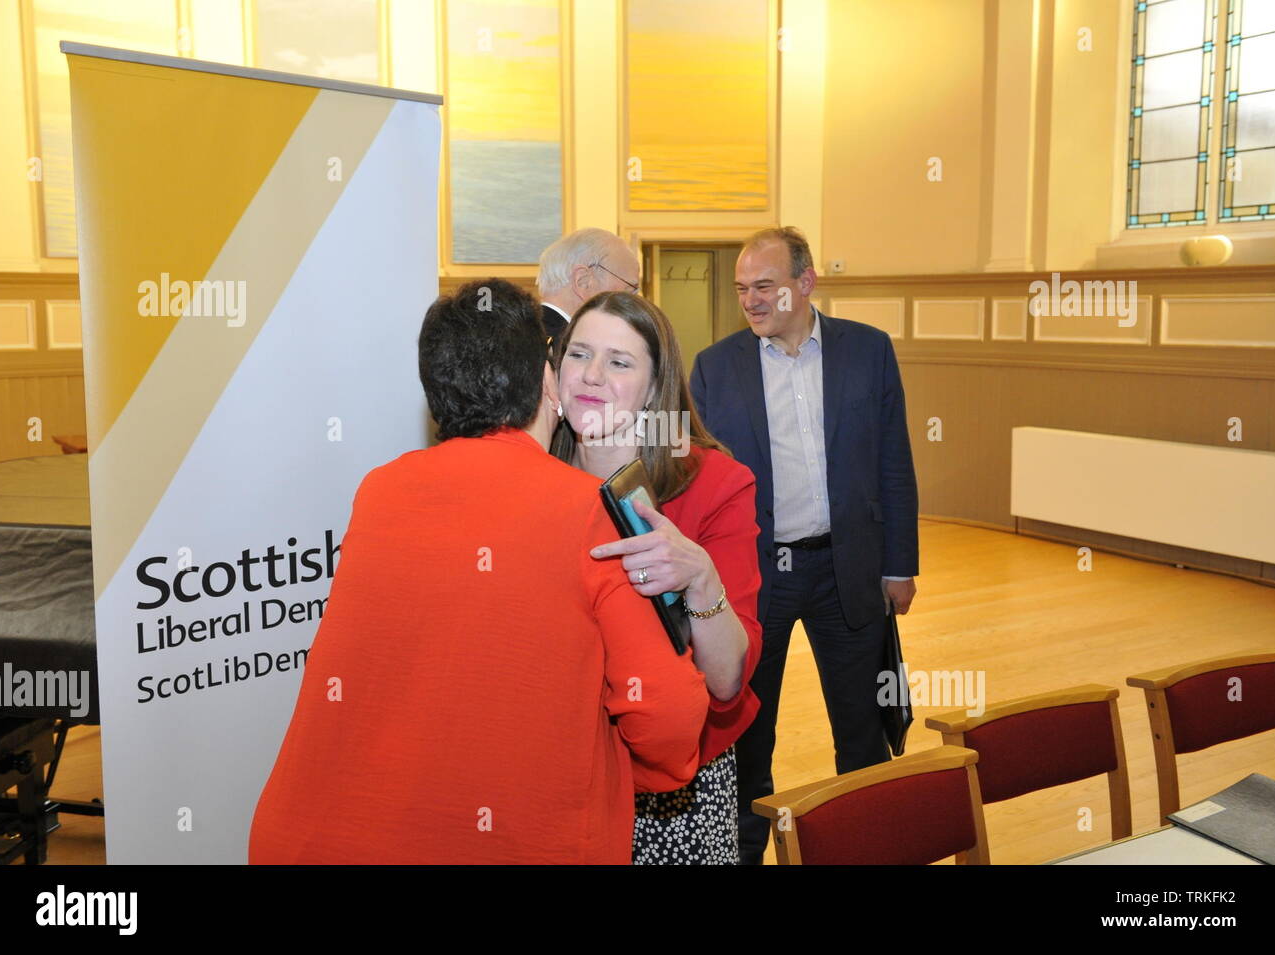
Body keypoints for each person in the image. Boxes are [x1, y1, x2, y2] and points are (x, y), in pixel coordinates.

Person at [248, 279, 708, 865]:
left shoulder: (381, 490)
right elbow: (666, 717)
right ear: (545, 381)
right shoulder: (589, 509)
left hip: (314, 834)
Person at [689, 226, 919, 866]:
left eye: (764, 286)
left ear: (806, 282)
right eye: (742, 290)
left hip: (849, 572)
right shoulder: (715, 367)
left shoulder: (868, 352)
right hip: (757, 579)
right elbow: (701, 485)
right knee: (747, 738)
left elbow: (893, 463)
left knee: (863, 730)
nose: (751, 301)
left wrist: (900, 563)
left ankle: (866, 848)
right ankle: (742, 856)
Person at [551, 290, 763, 865]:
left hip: (672, 788)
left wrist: (702, 579)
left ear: (654, 388)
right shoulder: (532, 476)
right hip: (557, 770)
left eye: (619, 362)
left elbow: (726, 681)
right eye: (578, 355)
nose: (591, 376)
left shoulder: (716, 484)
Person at [536, 228, 642, 344]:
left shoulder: (528, 334)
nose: (636, 302)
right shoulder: (562, 349)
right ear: (583, 282)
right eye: (630, 290)